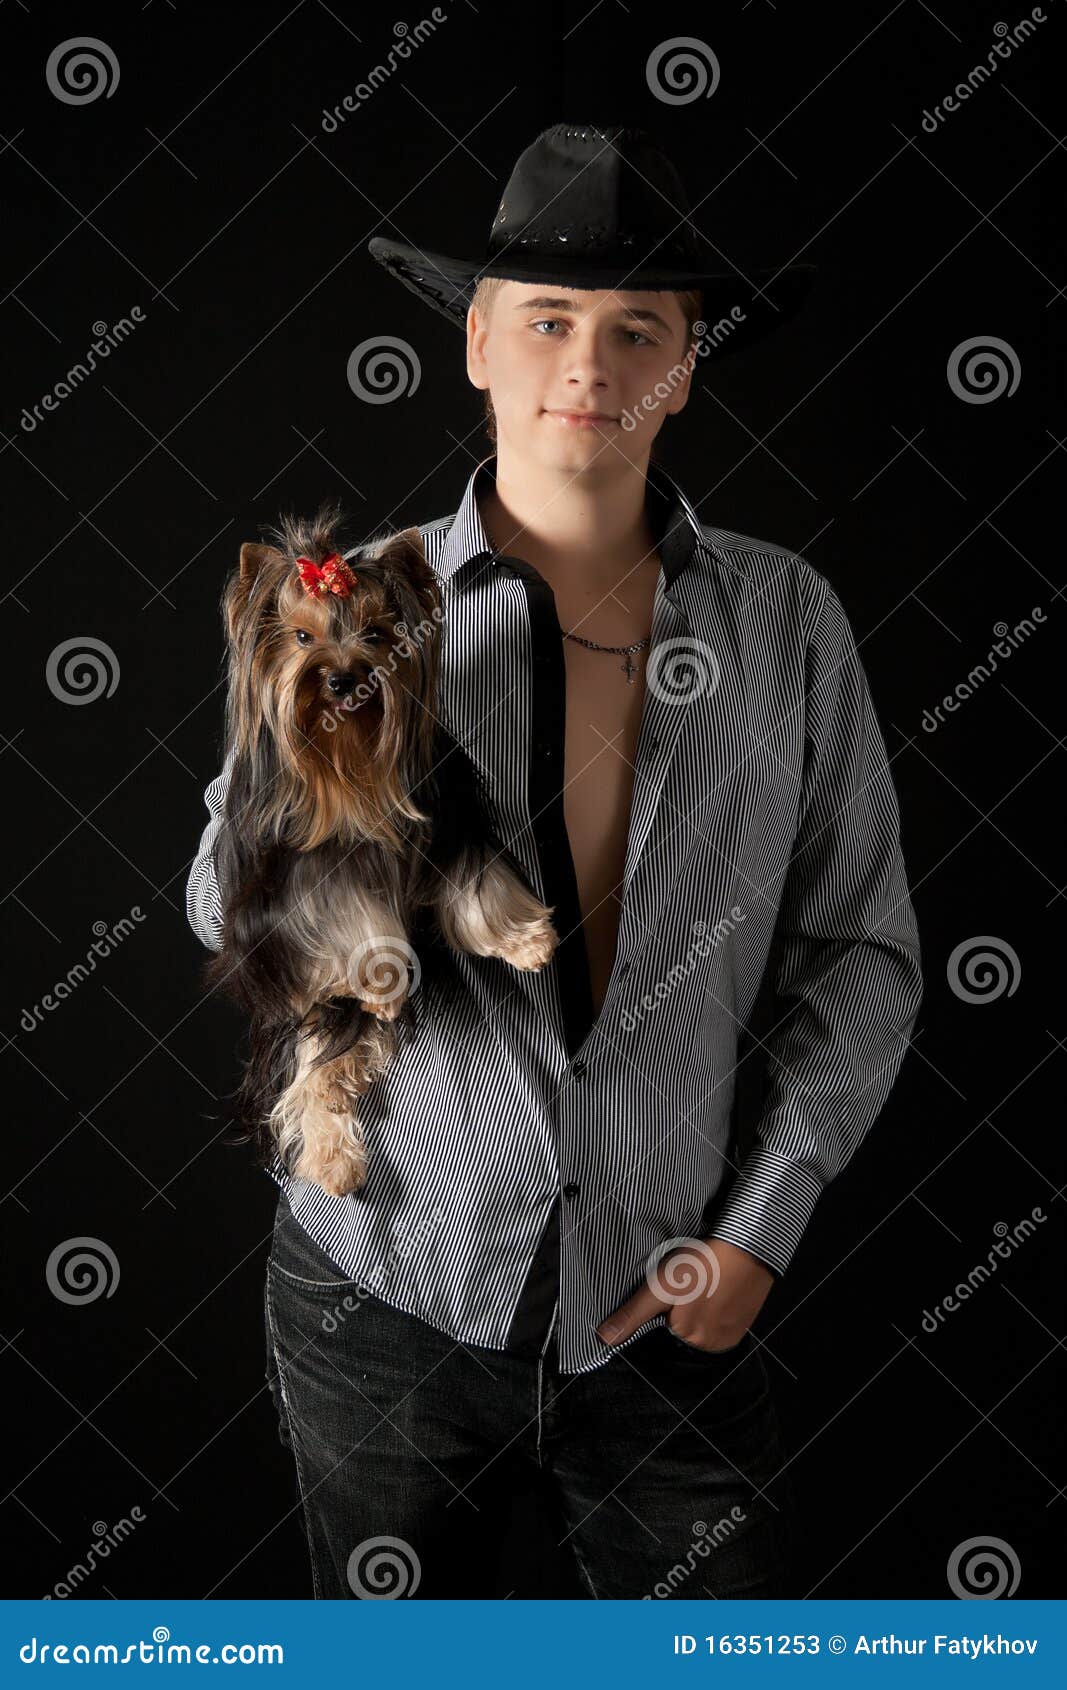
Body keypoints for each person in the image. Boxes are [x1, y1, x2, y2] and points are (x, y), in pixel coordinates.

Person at [186, 122, 923, 1599]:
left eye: (638, 327)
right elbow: (221, 895)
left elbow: (862, 955)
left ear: (686, 362)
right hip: (383, 1287)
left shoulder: (790, 627)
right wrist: (341, 836)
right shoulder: (355, 617)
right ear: (476, 343)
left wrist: (765, 1223)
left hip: (672, 1308)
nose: (590, 363)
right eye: (548, 320)